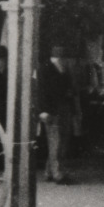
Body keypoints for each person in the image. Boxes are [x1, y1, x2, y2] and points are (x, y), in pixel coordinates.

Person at [36, 45, 78, 185]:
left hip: (63, 109)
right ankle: (57, 173)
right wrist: (42, 111)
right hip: (51, 110)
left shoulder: (63, 70)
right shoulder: (44, 69)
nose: (66, 62)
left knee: (60, 142)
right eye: (64, 58)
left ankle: (49, 171)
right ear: (59, 58)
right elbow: (40, 91)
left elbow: (68, 88)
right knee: (56, 142)